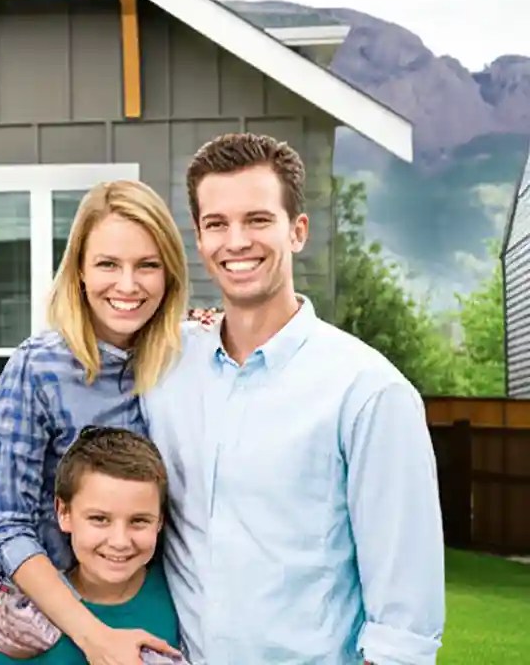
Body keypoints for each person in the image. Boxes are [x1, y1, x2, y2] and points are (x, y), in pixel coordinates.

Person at [143, 132, 446, 663]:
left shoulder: (368, 392)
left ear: (297, 231)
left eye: (258, 220)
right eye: (217, 224)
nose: (236, 241)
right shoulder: (166, 373)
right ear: (199, 238)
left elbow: (404, 621)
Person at [0, 179, 190, 665]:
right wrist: (94, 637)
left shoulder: (184, 363)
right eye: (108, 264)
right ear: (80, 274)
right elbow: (8, 525)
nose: (128, 285)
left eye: (147, 265)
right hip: (53, 615)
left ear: (170, 275)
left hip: (150, 592)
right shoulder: (40, 368)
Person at [0, 426, 181, 665]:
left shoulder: (180, 597)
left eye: (139, 521)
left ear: (160, 520)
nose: (119, 541)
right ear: (64, 512)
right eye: (99, 519)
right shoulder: (29, 626)